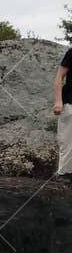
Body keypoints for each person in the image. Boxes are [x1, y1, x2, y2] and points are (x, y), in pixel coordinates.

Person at [55, 46, 72, 174]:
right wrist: (58, 101)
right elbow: (59, 77)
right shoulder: (71, 53)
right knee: (67, 141)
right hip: (70, 104)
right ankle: (64, 174)